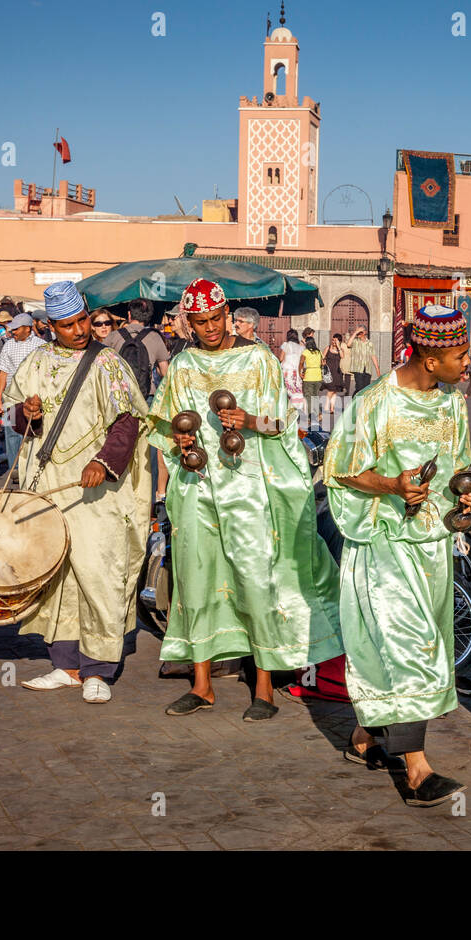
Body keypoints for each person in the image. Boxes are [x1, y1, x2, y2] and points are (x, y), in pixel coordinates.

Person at [147, 278, 342, 721]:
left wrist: (249, 419)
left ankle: (265, 685)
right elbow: (163, 424)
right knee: (196, 580)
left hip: (249, 489)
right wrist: (179, 439)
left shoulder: (258, 359)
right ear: (189, 323)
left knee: (256, 581)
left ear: (228, 313)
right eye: (200, 322)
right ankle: (202, 683)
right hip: (198, 490)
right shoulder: (182, 365)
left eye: (216, 318)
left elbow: (284, 422)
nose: (210, 327)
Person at [324, 305, 471, 807]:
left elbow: (460, 466)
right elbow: (341, 469)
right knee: (407, 645)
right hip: (384, 545)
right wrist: (392, 486)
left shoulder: (453, 404)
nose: (469, 363)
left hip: (432, 548)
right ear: (431, 358)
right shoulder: (375, 402)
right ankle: (417, 771)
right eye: (462, 355)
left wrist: (470, 492)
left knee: (411, 645)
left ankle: (364, 738)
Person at [5, 281, 152, 703]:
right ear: (50, 326)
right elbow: (19, 420)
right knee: (55, 574)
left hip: (97, 492)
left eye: (83, 320)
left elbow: (128, 422)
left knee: (98, 573)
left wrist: (103, 462)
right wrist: (25, 413)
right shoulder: (35, 361)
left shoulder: (108, 363)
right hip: (50, 485)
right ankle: (65, 666)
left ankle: (98, 670)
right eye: (67, 325)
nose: (79, 330)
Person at [0, 313, 46, 482]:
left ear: (27, 329)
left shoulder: (41, 346)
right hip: (11, 398)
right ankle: (14, 470)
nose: (13, 332)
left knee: (33, 433)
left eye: (16, 329)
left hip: (33, 398)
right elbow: (3, 372)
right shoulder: (8, 346)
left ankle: (32, 468)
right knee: (11, 434)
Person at [109, 299, 170, 399]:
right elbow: (165, 372)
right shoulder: (155, 337)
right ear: (149, 317)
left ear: (129, 314)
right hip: (147, 394)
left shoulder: (113, 336)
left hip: (120, 394)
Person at [344, 327, 380, 398]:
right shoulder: (355, 341)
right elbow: (348, 344)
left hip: (367, 369)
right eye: (358, 333)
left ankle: (361, 405)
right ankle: (354, 402)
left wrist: (377, 369)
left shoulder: (370, 343)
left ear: (365, 332)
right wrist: (355, 332)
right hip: (358, 369)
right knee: (359, 388)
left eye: (361, 332)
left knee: (366, 389)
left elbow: (373, 356)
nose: (359, 334)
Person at [300, 331, 325, 428]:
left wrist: (300, 372)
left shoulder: (305, 352)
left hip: (309, 377)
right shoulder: (318, 352)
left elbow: (301, 363)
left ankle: (312, 417)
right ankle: (318, 414)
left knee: (309, 397)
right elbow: (323, 362)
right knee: (315, 396)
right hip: (318, 376)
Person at [278, 328, 305, 415]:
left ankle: (287, 410)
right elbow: (302, 361)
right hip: (296, 372)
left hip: (287, 372)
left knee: (286, 390)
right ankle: (298, 408)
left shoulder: (286, 345)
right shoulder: (301, 347)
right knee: (296, 390)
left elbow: (281, 358)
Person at [323, 333, 345, 423]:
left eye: (335, 340)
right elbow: (322, 357)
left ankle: (332, 408)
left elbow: (342, 356)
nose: (333, 342)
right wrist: (323, 364)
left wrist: (339, 346)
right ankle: (326, 406)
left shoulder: (340, 349)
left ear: (339, 341)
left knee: (335, 390)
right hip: (329, 372)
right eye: (332, 340)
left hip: (337, 372)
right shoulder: (328, 348)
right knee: (330, 390)